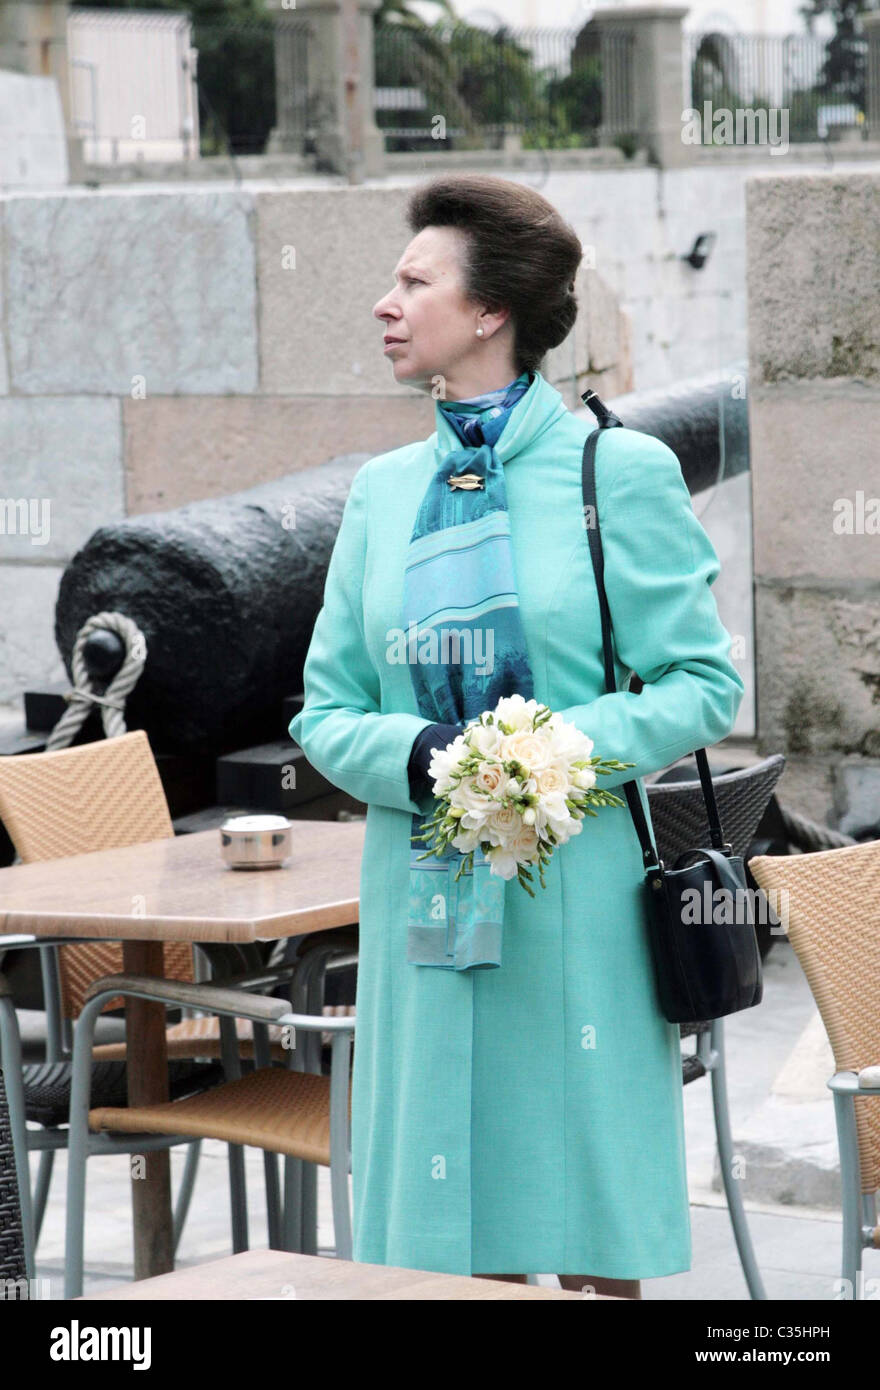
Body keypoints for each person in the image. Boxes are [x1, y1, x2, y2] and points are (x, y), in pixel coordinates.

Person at [288, 173, 745, 1298]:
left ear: (490, 312)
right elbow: (325, 708)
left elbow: (697, 685)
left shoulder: (616, 470)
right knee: (442, 1243)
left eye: (413, 280)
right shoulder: (381, 494)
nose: (385, 302)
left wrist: (541, 755)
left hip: (574, 901)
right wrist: (430, 762)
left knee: (588, 1222)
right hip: (420, 903)